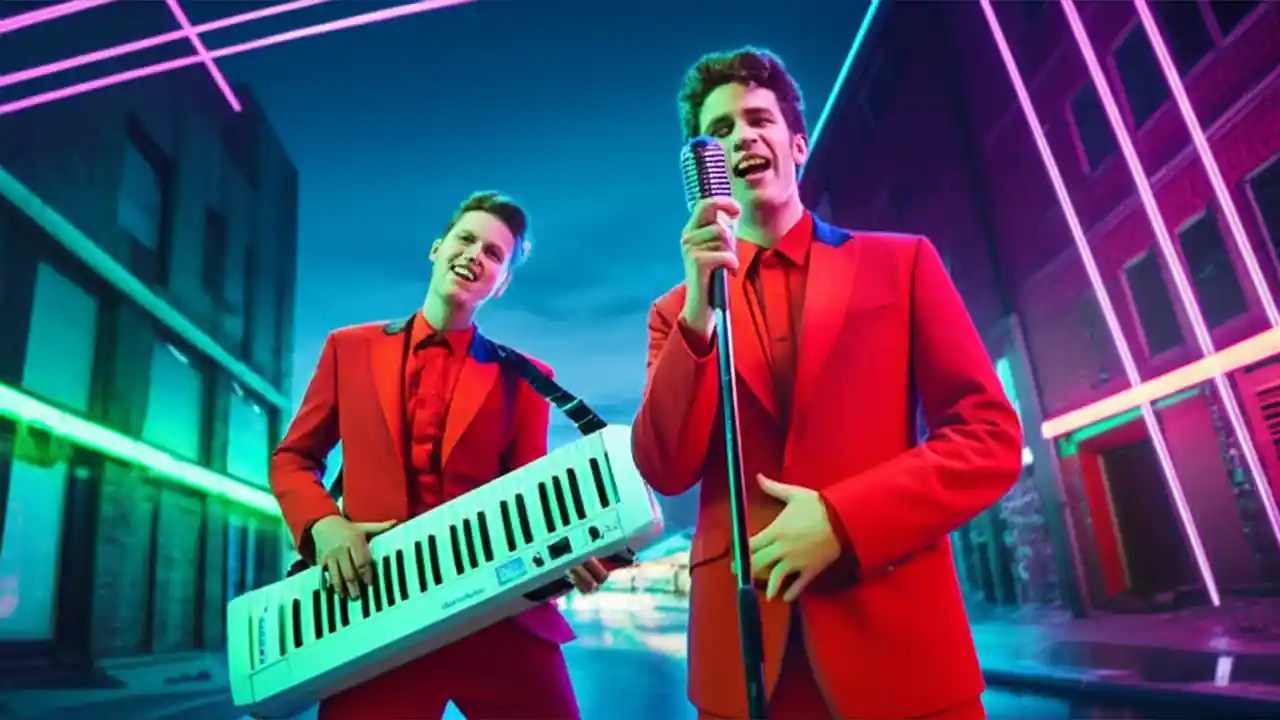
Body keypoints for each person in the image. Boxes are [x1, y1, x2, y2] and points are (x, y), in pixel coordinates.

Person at [631, 47, 1023, 720]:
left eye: (758, 119)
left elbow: (989, 437)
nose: (742, 136)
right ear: (705, 172)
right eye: (719, 131)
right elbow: (665, 468)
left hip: (901, 645)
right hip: (748, 662)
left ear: (798, 144)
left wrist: (846, 520)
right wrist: (700, 308)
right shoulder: (676, 312)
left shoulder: (902, 266)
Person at [270, 191, 608, 719]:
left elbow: (525, 497)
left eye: (495, 254)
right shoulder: (348, 349)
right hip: (377, 615)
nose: (476, 254)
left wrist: (568, 550)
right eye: (467, 239)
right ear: (436, 248)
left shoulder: (528, 378)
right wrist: (324, 526)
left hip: (498, 615)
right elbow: (293, 458)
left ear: (502, 284)